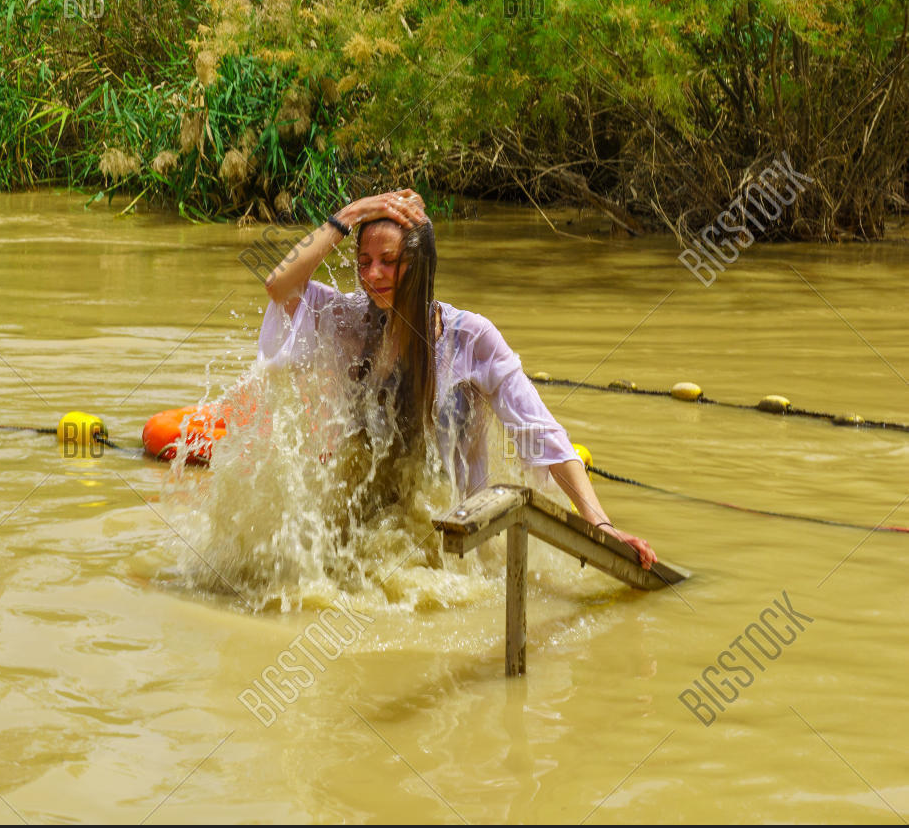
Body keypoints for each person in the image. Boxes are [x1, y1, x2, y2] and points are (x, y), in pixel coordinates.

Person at [259, 188, 659, 568]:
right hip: (358, 521)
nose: (373, 274)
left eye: (389, 260)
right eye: (364, 261)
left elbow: (543, 435)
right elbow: (279, 285)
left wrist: (600, 525)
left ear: (417, 264)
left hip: (447, 531)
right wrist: (351, 214)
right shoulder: (347, 321)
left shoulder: (469, 338)